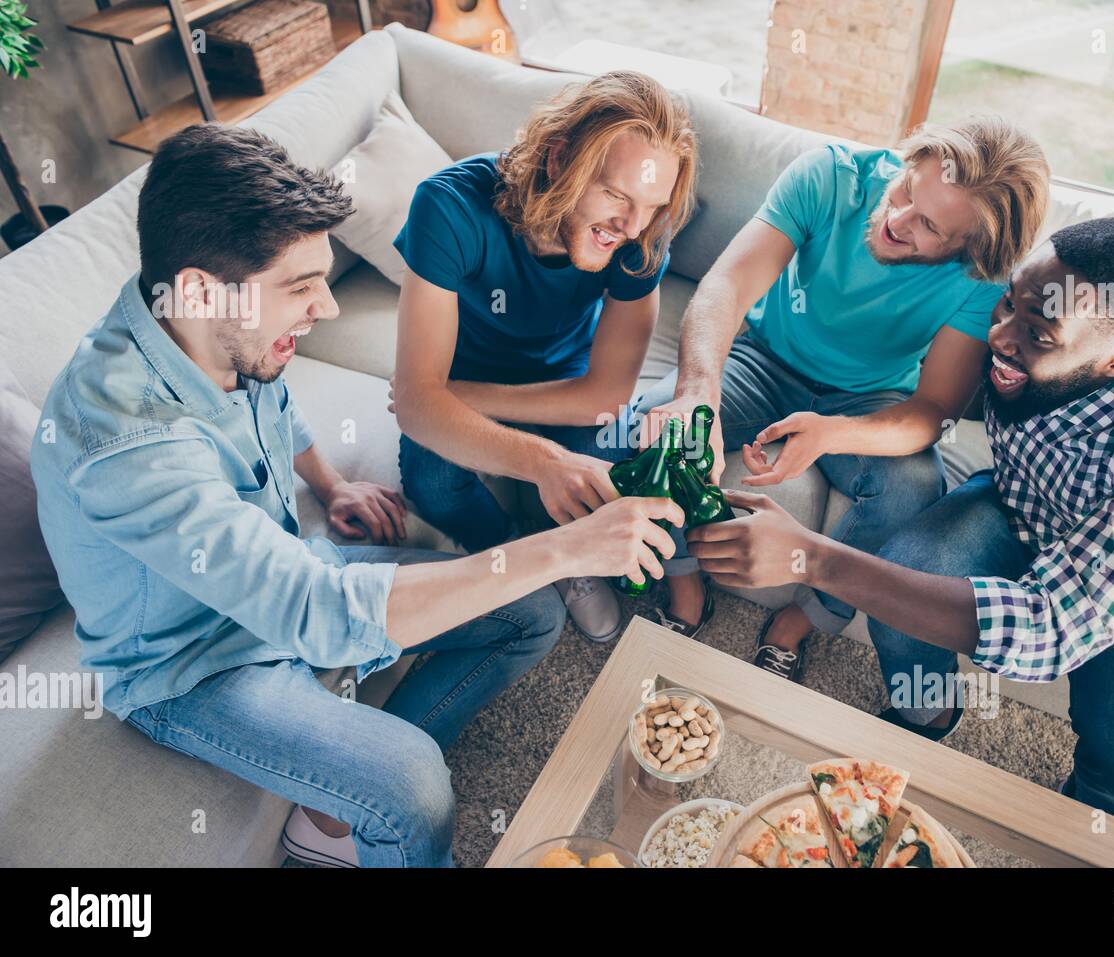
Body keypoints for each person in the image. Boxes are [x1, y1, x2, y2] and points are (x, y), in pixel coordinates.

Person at [30, 124, 682, 867]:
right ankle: (375, 789)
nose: (328, 308)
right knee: (410, 786)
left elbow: (269, 403)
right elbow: (315, 612)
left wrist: (329, 481)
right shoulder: (126, 442)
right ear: (201, 290)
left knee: (528, 613)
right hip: (193, 663)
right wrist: (568, 546)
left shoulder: (198, 323)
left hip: (286, 567)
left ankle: (334, 795)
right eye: (300, 287)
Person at [685, 219, 1114, 822]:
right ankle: (927, 714)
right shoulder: (1064, 315)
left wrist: (811, 557)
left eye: (1036, 334)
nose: (1000, 336)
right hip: (1018, 500)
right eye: (1007, 303)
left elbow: (1050, 629)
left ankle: (1074, 832)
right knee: (904, 579)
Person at [636, 116, 1049, 679]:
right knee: (656, 430)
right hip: (762, 356)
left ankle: (800, 621)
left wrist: (835, 432)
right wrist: (696, 395)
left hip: (870, 398)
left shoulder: (984, 281)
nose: (897, 220)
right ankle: (684, 585)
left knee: (914, 490)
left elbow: (933, 410)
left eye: (928, 225)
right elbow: (726, 286)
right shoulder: (829, 177)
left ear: (970, 248)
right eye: (906, 190)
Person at [389, 71, 697, 643]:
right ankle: (524, 556)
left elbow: (605, 396)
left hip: (563, 380)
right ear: (559, 159)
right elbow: (415, 408)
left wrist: (449, 398)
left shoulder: (642, 237)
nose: (631, 227)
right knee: (431, 485)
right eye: (616, 195)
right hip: (469, 368)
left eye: (652, 206)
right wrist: (540, 462)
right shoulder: (449, 206)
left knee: (612, 476)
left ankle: (576, 563)